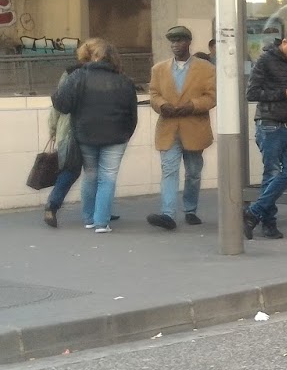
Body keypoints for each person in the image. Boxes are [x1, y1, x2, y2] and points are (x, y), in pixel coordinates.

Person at [50, 38, 138, 233]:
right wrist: (126, 134)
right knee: (108, 177)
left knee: (90, 175)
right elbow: (132, 114)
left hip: (86, 134)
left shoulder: (78, 76)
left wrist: (57, 94)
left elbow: (62, 105)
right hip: (116, 136)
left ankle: (89, 218)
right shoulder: (124, 80)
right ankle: (101, 222)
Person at [147, 25, 216, 230]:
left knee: (193, 172)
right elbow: (153, 94)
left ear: (188, 42)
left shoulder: (206, 68)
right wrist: (162, 105)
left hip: (194, 127)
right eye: (172, 41)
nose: (175, 45)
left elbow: (211, 97)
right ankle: (167, 214)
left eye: (179, 41)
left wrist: (192, 106)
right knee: (169, 171)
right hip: (168, 128)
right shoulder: (159, 69)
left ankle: (190, 209)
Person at [244, 26, 287, 240]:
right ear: (284, 42)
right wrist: (284, 93)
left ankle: (253, 213)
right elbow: (252, 93)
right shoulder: (265, 60)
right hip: (270, 124)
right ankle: (268, 223)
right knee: (271, 173)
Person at [41, 45, 91, 228]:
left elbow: (57, 102)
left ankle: (52, 206)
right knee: (94, 172)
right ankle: (98, 211)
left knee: (71, 170)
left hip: (68, 130)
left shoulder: (70, 73)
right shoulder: (98, 75)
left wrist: (53, 129)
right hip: (84, 130)